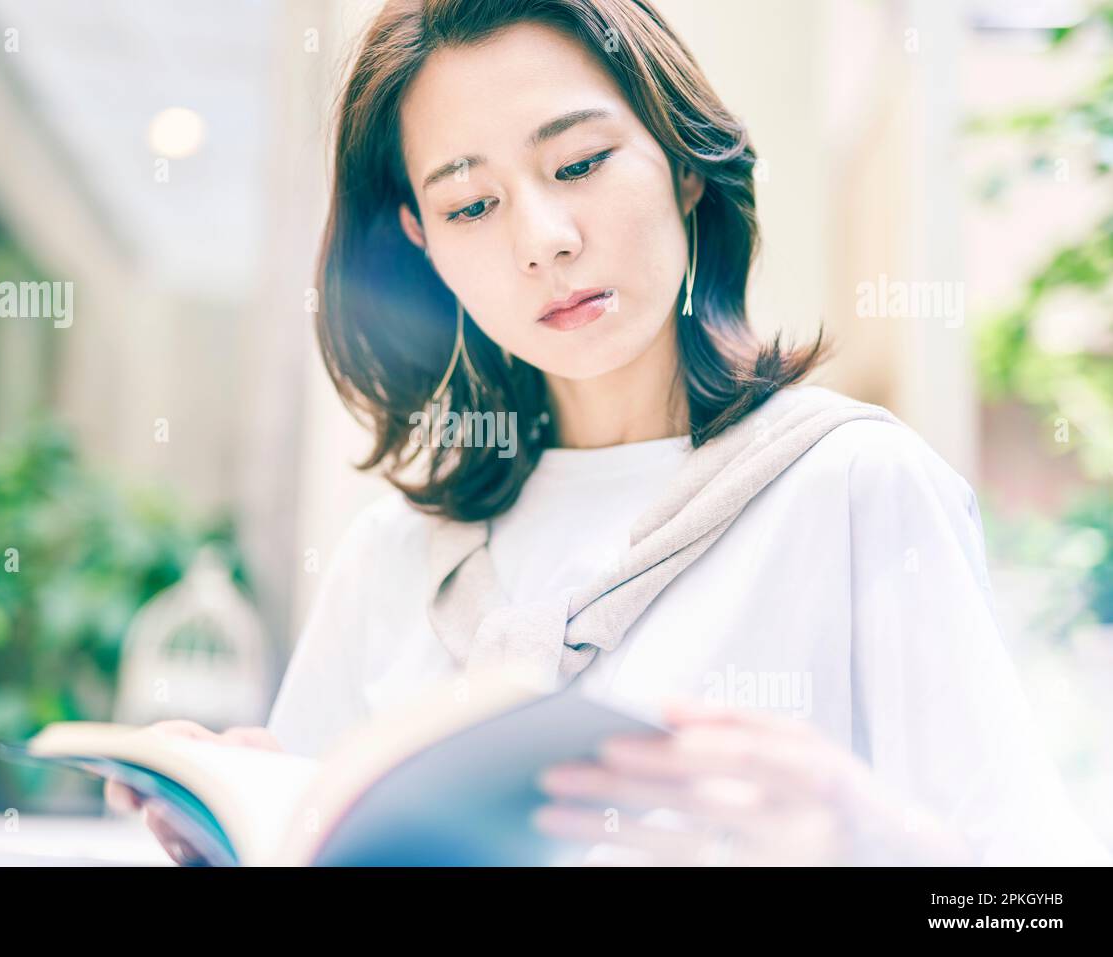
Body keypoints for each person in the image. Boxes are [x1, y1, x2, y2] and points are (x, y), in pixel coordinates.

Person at [108, 0, 1109, 867]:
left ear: (680, 163)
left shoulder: (852, 485)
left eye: (580, 162)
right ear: (424, 245)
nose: (543, 238)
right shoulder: (387, 559)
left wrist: (869, 838)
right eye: (470, 206)